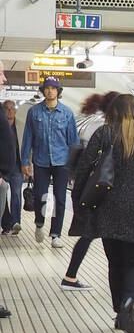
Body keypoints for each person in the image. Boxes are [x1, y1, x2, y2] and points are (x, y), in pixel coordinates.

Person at [71, 94, 134, 333]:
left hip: (109, 210)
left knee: (115, 263)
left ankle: (118, 311)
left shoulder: (104, 135)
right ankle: (129, 302)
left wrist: (79, 202)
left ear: (113, 112)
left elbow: (83, 168)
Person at [60, 91, 120, 289]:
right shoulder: (105, 128)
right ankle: (70, 277)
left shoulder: (95, 123)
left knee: (99, 234)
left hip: (92, 187)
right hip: (99, 189)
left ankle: (129, 273)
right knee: (95, 233)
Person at [20, 75, 80, 249]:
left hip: (62, 163)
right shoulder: (34, 112)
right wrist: (25, 161)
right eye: (47, 88)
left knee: (60, 198)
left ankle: (56, 234)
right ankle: (39, 222)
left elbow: (73, 141)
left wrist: (73, 166)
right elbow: (28, 138)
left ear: (58, 91)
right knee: (40, 196)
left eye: (53, 88)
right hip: (41, 161)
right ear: (43, 90)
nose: (50, 90)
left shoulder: (67, 113)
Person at [1, 90, 21, 235]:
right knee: (2, 193)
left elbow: (26, 146)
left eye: (12, 108)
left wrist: (27, 165)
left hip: (17, 167)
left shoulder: (20, 125)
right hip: (2, 167)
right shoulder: (2, 124)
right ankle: (9, 223)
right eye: (7, 108)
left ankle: (15, 222)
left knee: (16, 194)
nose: (9, 111)